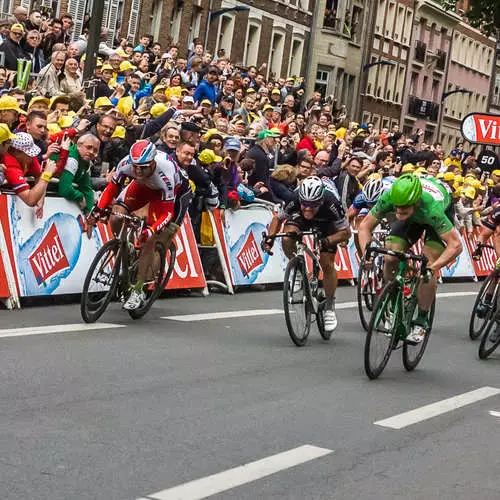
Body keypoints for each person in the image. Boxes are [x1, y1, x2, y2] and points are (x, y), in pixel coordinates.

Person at [358, 174, 463, 343]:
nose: (398, 213)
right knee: (390, 255)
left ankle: (421, 320)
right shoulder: (390, 197)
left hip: (436, 214)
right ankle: (392, 303)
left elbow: (456, 245)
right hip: (414, 216)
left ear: (414, 203)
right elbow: (364, 226)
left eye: (404, 210)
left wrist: (433, 267)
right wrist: (367, 253)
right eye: (397, 208)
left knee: (428, 264)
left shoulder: (432, 208)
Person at [89, 140, 192, 310]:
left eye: (143, 167)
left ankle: (139, 289)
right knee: (116, 215)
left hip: (173, 195)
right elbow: (111, 189)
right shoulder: (128, 164)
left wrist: (151, 230)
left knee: (153, 238)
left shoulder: (165, 171)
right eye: (135, 166)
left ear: (152, 163)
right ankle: (125, 248)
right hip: (144, 186)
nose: (137, 170)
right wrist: (98, 210)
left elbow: (167, 213)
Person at [262, 176, 350, 332]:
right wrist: (269, 239)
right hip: (299, 219)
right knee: (288, 236)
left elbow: (345, 233)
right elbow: (277, 219)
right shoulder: (294, 198)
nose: (308, 209)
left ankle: (329, 307)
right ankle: (297, 269)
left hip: (327, 223)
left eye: (312, 206)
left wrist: (327, 241)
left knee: (327, 262)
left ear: (320, 201)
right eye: (305, 205)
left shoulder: (332, 203)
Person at [3, 132, 57, 212]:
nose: (32, 157)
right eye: (28, 154)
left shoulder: (28, 156)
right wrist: (47, 175)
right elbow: (30, 200)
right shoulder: (10, 167)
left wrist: (40, 199)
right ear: (16, 152)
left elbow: (38, 176)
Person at [57, 134, 100, 218]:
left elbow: (87, 188)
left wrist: (89, 212)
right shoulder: (72, 159)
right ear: (79, 145)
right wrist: (80, 196)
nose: (91, 152)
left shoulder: (86, 162)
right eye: (89, 147)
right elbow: (65, 189)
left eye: (95, 150)